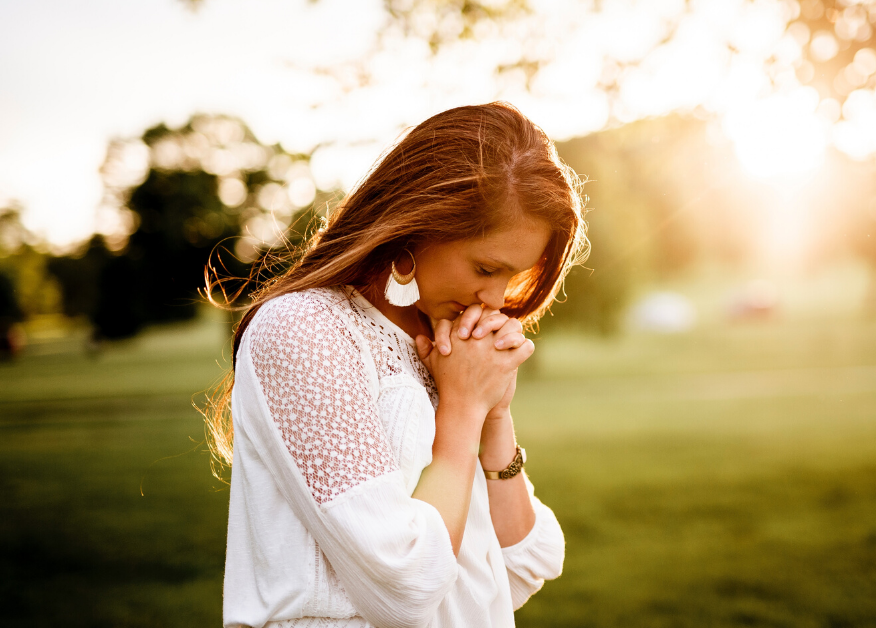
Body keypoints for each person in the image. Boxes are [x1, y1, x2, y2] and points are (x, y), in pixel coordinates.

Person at [204, 102, 588, 628]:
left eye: (513, 275)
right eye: (485, 267)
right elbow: (404, 586)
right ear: (417, 229)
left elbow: (522, 565)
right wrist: (460, 414)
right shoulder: (305, 331)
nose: (496, 298)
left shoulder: (441, 344)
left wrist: (493, 415)